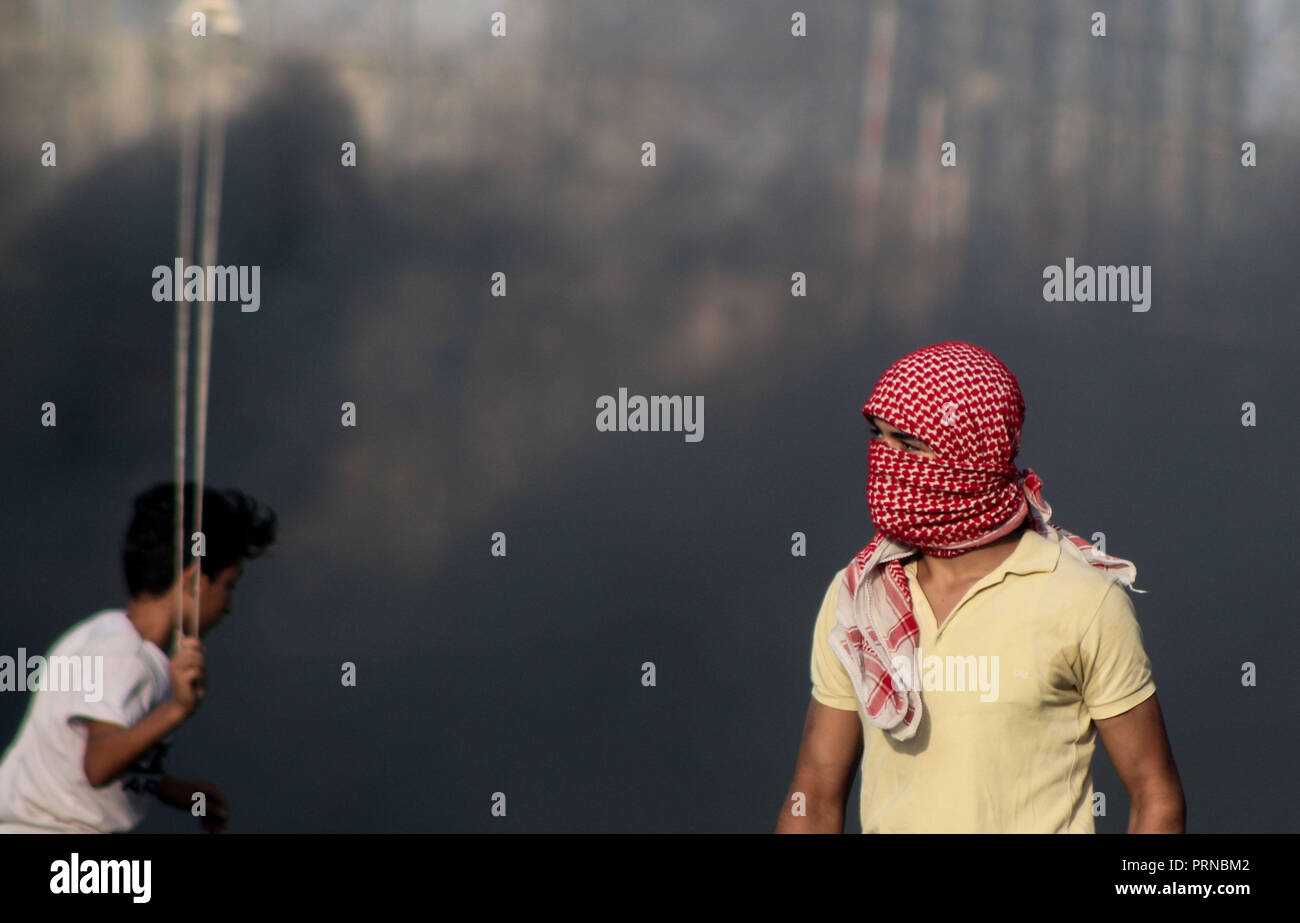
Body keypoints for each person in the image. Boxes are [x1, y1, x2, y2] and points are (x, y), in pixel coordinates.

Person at [776, 341, 1184, 833]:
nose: (887, 462)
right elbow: (815, 792)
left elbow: (1154, 794)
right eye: (877, 437)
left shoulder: (1082, 601)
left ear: (974, 454)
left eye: (908, 444)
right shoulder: (861, 597)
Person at [0, 482, 276, 833]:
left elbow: (85, 763)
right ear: (194, 581)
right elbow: (98, 764)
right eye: (228, 585)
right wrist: (176, 709)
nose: (229, 606)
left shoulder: (99, 634)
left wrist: (177, 792)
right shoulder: (125, 657)